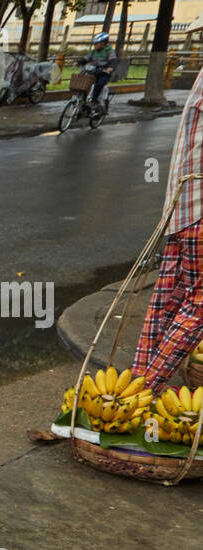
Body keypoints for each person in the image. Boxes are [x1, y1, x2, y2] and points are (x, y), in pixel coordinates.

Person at [132, 67, 203, 390]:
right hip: (198, 207)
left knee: (168, 299)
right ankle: (143, 391)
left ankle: (136, 382)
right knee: (197, 305)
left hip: (183, 206)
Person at [82, 32, 116, 109]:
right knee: (84, 84)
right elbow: (87, 58)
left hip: (104, 73)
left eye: (96, 43)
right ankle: (84, 104)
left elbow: (113, 61)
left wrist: (110, 68)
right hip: (94, 72)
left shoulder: (109, 51)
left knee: (99, 84)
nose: (95, 45)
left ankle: (94, 102)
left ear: (103, 43)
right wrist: (79, 62)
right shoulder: (94, 52)